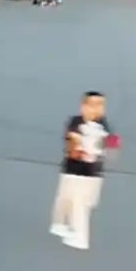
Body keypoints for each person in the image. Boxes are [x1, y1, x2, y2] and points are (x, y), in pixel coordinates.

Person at [51, 91, 115, 251]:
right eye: (92, 105)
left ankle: (78, 235)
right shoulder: (75, 122)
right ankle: (63, 226)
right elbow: (72, 142)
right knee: (67, 199)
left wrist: (101, 146)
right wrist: (80, 144)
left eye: (100, 105)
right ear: (83, 107)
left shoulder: (103, 125)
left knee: (81, 203)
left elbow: (109, 144)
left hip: (91, 173)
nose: (97, 109)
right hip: (73, 169)